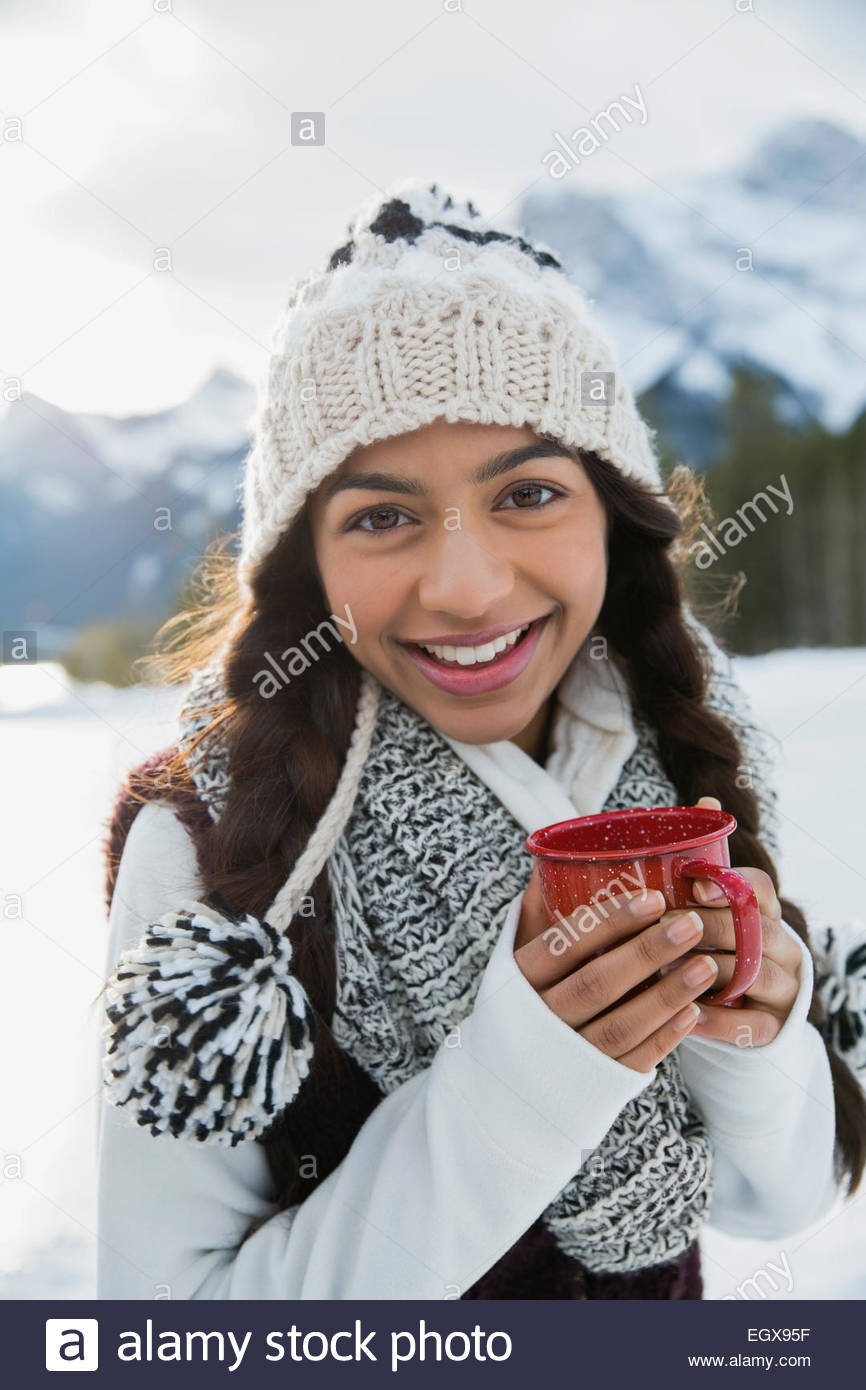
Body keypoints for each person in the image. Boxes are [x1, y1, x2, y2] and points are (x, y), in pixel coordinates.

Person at [96, 179, 866, 1301]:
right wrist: (526, 1076)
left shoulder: (675, 757)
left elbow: (772, 1197)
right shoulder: (211, 837)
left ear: (615, 515)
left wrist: (754, 1035)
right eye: (380, 516)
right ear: (304, 562)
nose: (463, 587)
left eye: (528, 494)